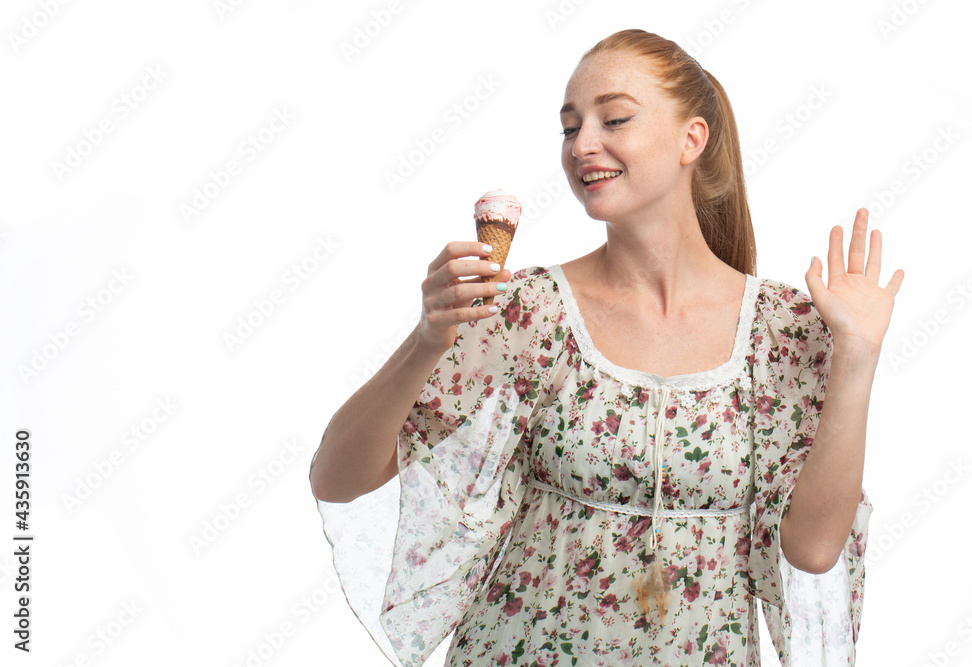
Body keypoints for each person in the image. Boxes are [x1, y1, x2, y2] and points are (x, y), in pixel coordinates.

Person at [309, 28, 903, 667]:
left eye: (613, 118)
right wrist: (428, 338)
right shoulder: (526, 313)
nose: (582, 146)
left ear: (691, 139)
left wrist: (857, 357)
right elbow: (337, 478)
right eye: (570, 128)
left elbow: (813, 550)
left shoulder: (783, 331)